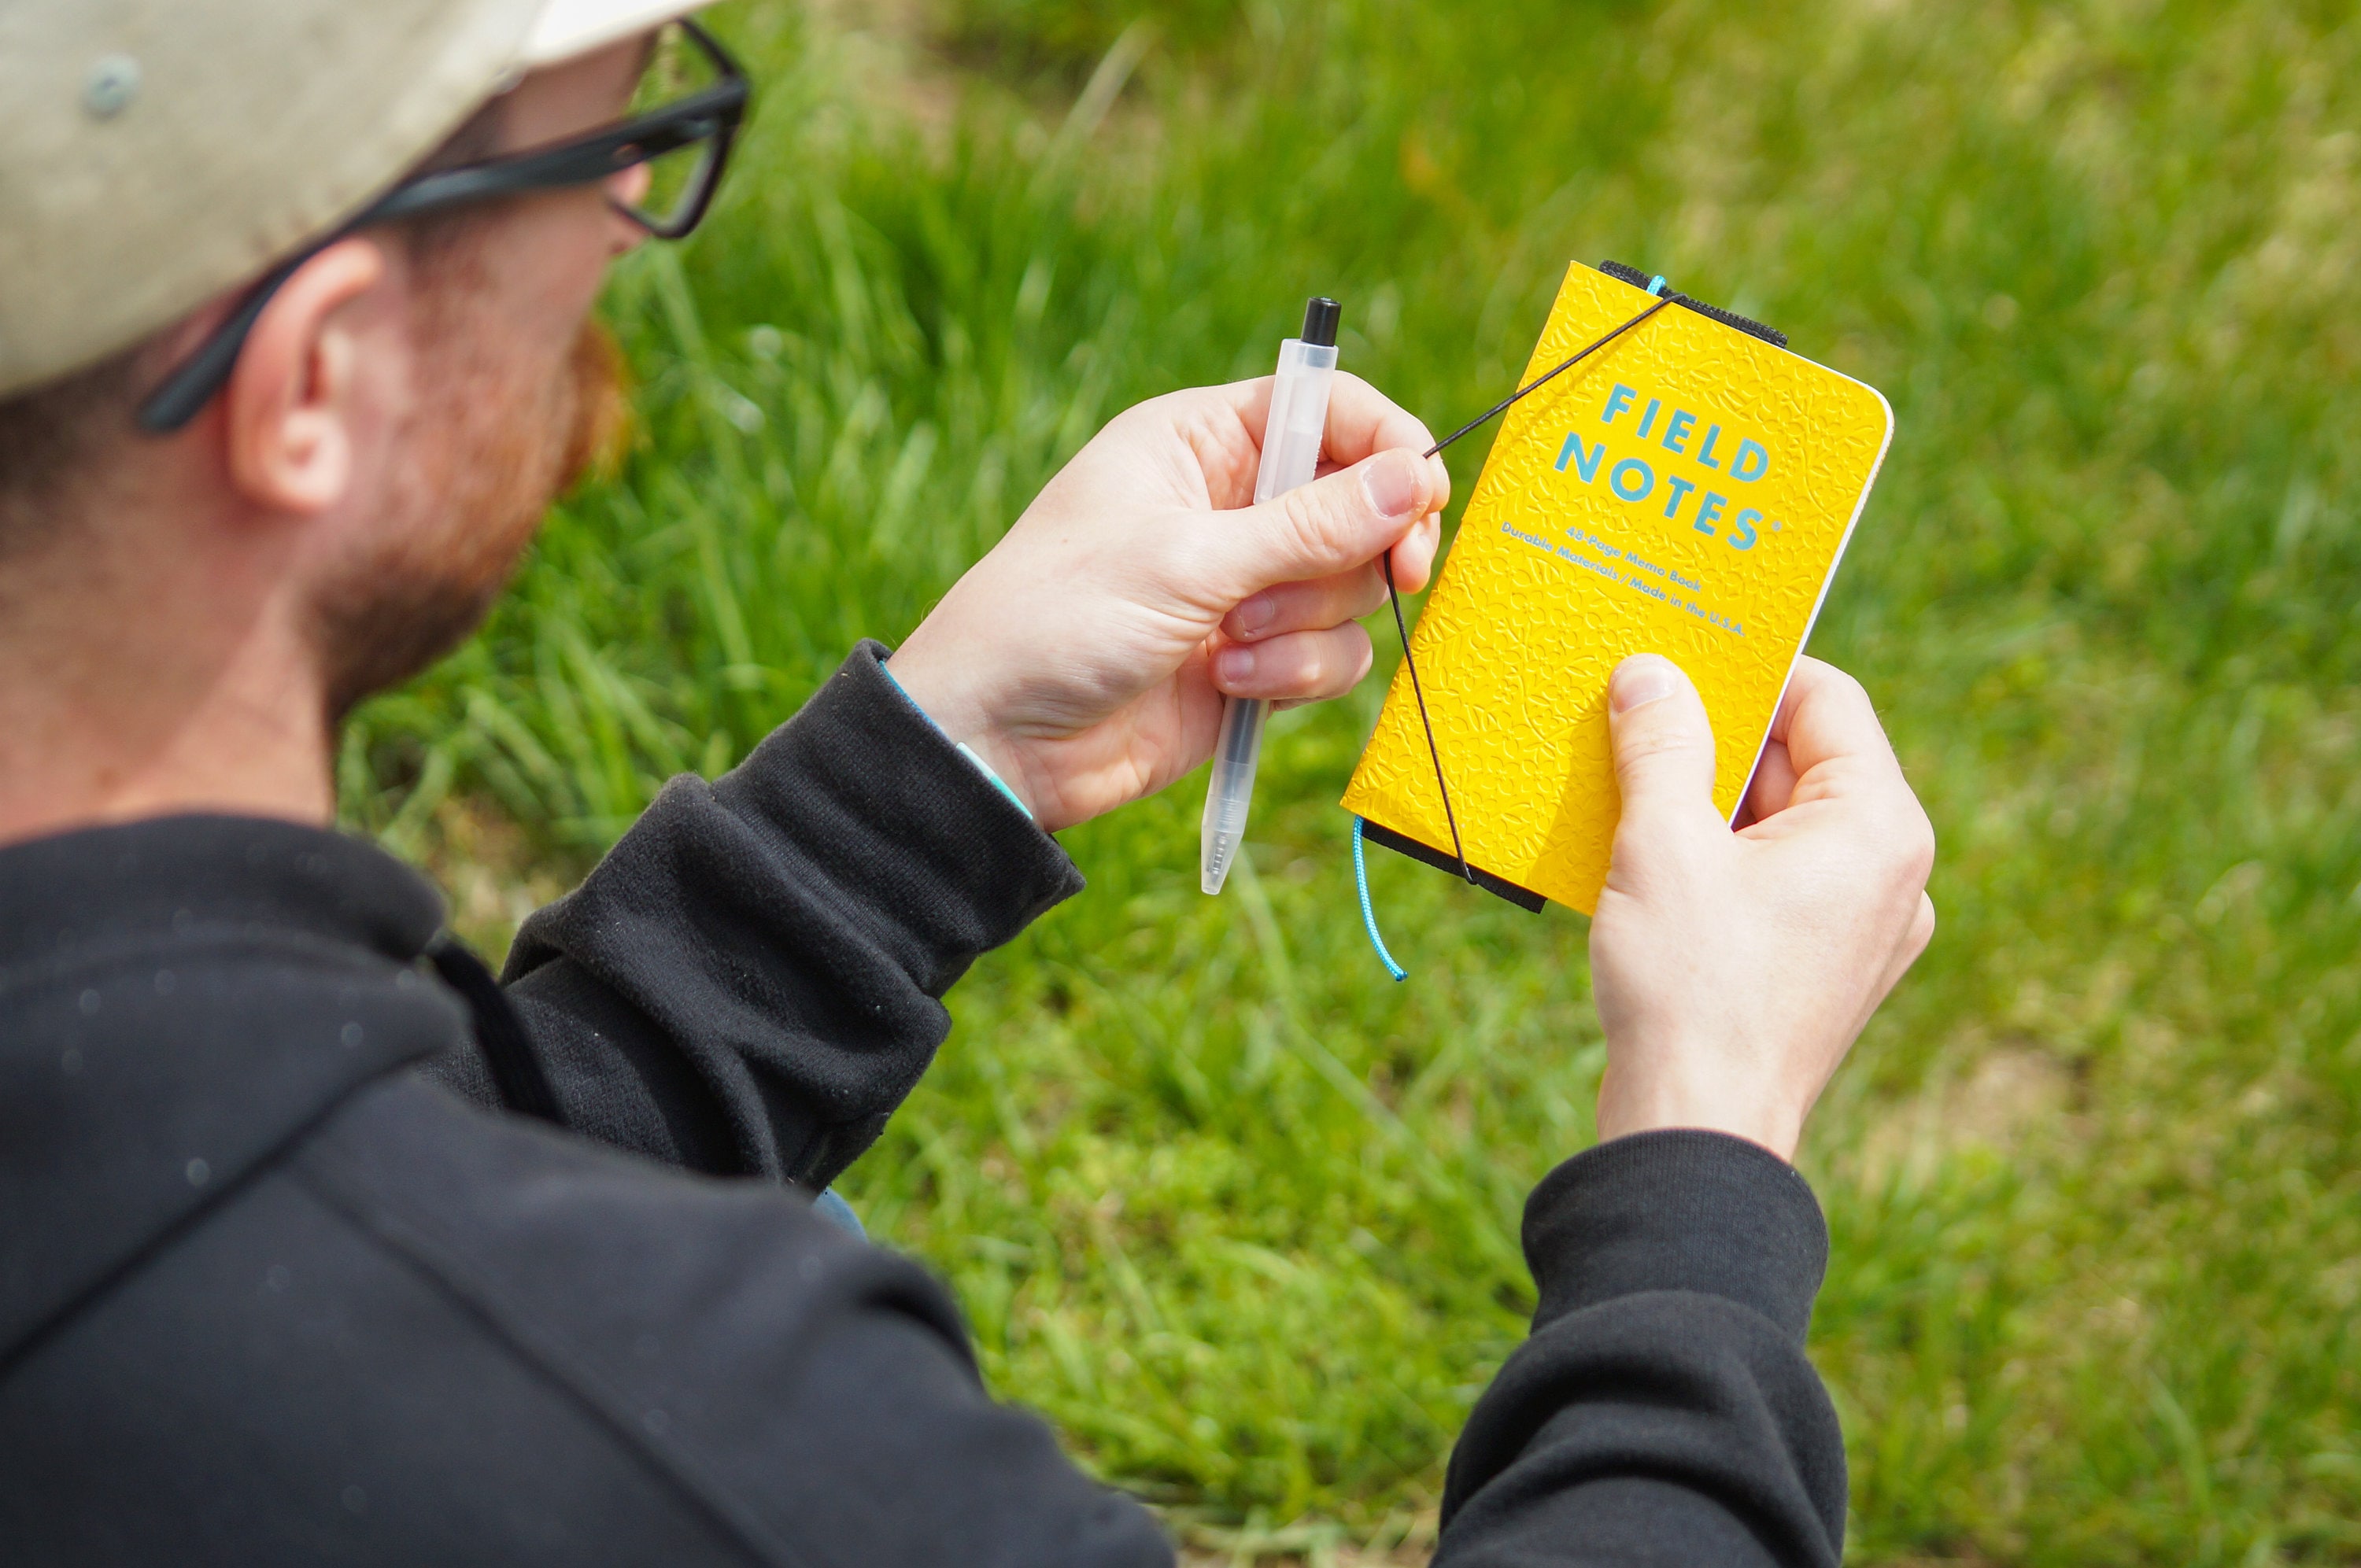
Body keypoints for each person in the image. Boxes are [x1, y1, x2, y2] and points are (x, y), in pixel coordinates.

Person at [0, 1, 1937, 1562]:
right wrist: (1703, 1159)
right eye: (611, 149)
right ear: (310, 384)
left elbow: (367, 1199)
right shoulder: (732, 1455)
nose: (618, 229)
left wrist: (913, 782)